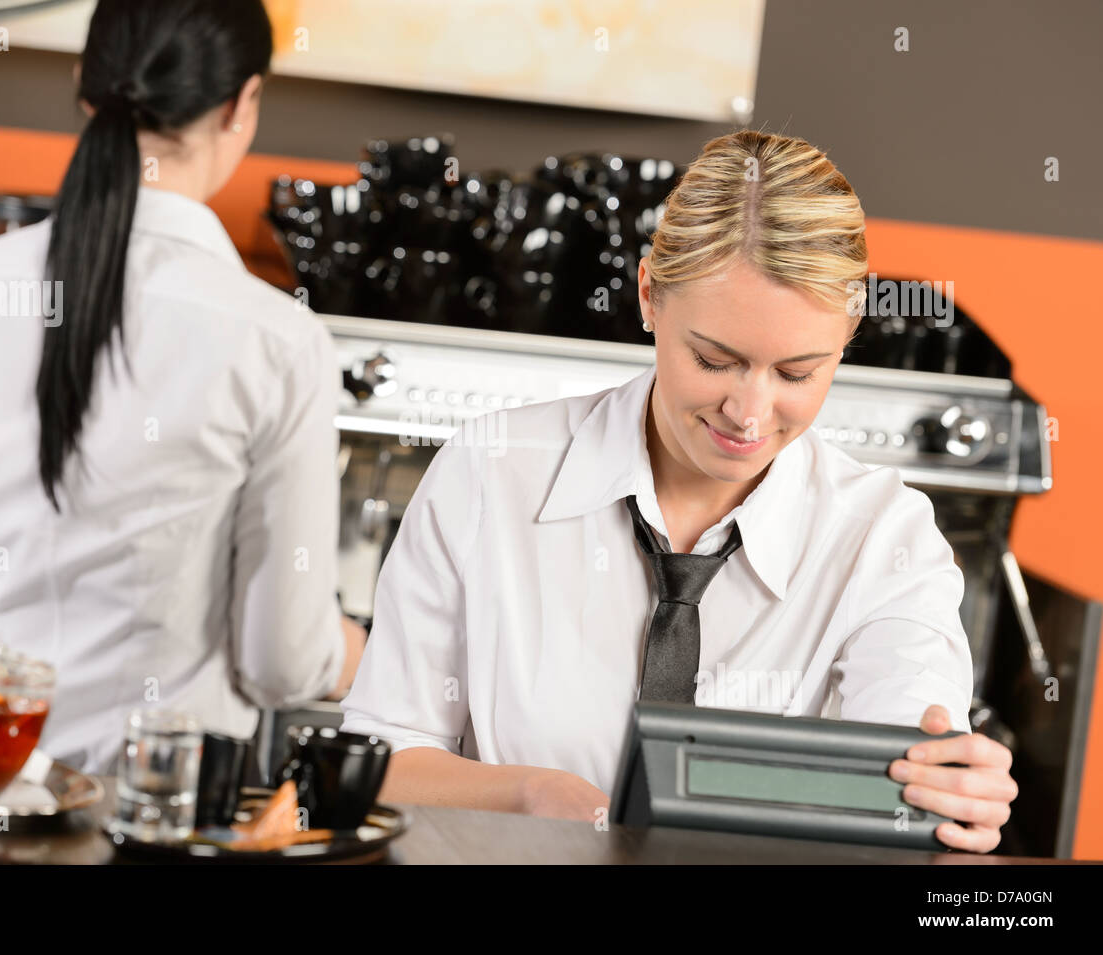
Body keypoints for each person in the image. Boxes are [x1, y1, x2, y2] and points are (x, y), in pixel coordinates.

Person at [340, 130, 1017, 852]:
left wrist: (947, 787)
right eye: (715, 359)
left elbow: (908, 754)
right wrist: (526, 792)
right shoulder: (492, 471)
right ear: (648, 296)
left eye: (798, 373)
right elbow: (377, 760)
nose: (749, 414)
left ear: (846, 338)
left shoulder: (885, 537)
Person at [0, 0, 365, 774]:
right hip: (162, 819)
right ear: (243, 104)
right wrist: (349, 650)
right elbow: (280, 660)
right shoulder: (281, 341)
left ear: (84, 85)